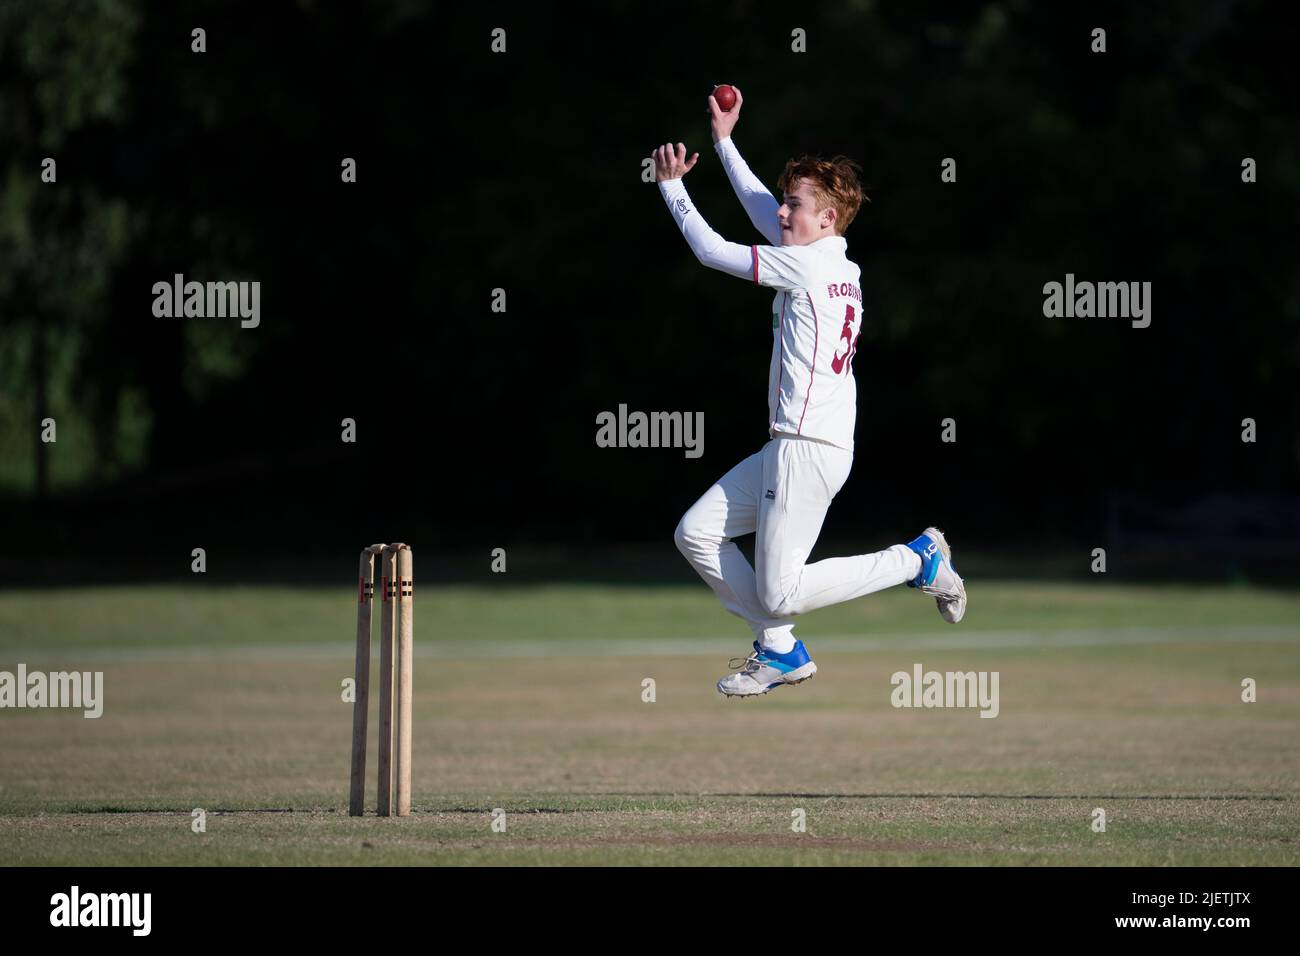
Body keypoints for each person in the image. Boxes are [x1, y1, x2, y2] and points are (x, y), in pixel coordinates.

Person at [652, 85, 967, 698]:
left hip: (808, 448)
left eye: (794, 206)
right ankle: (779, 647)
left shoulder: (811, 265)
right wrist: (724, 144)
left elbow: (712, 250)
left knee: (779, 591)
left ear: (826, 219)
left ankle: (917, 561)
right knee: (696, 532)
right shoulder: (834, 262)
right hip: (792, 446)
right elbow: (760, 206)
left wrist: (671, 187)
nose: (781, 214)